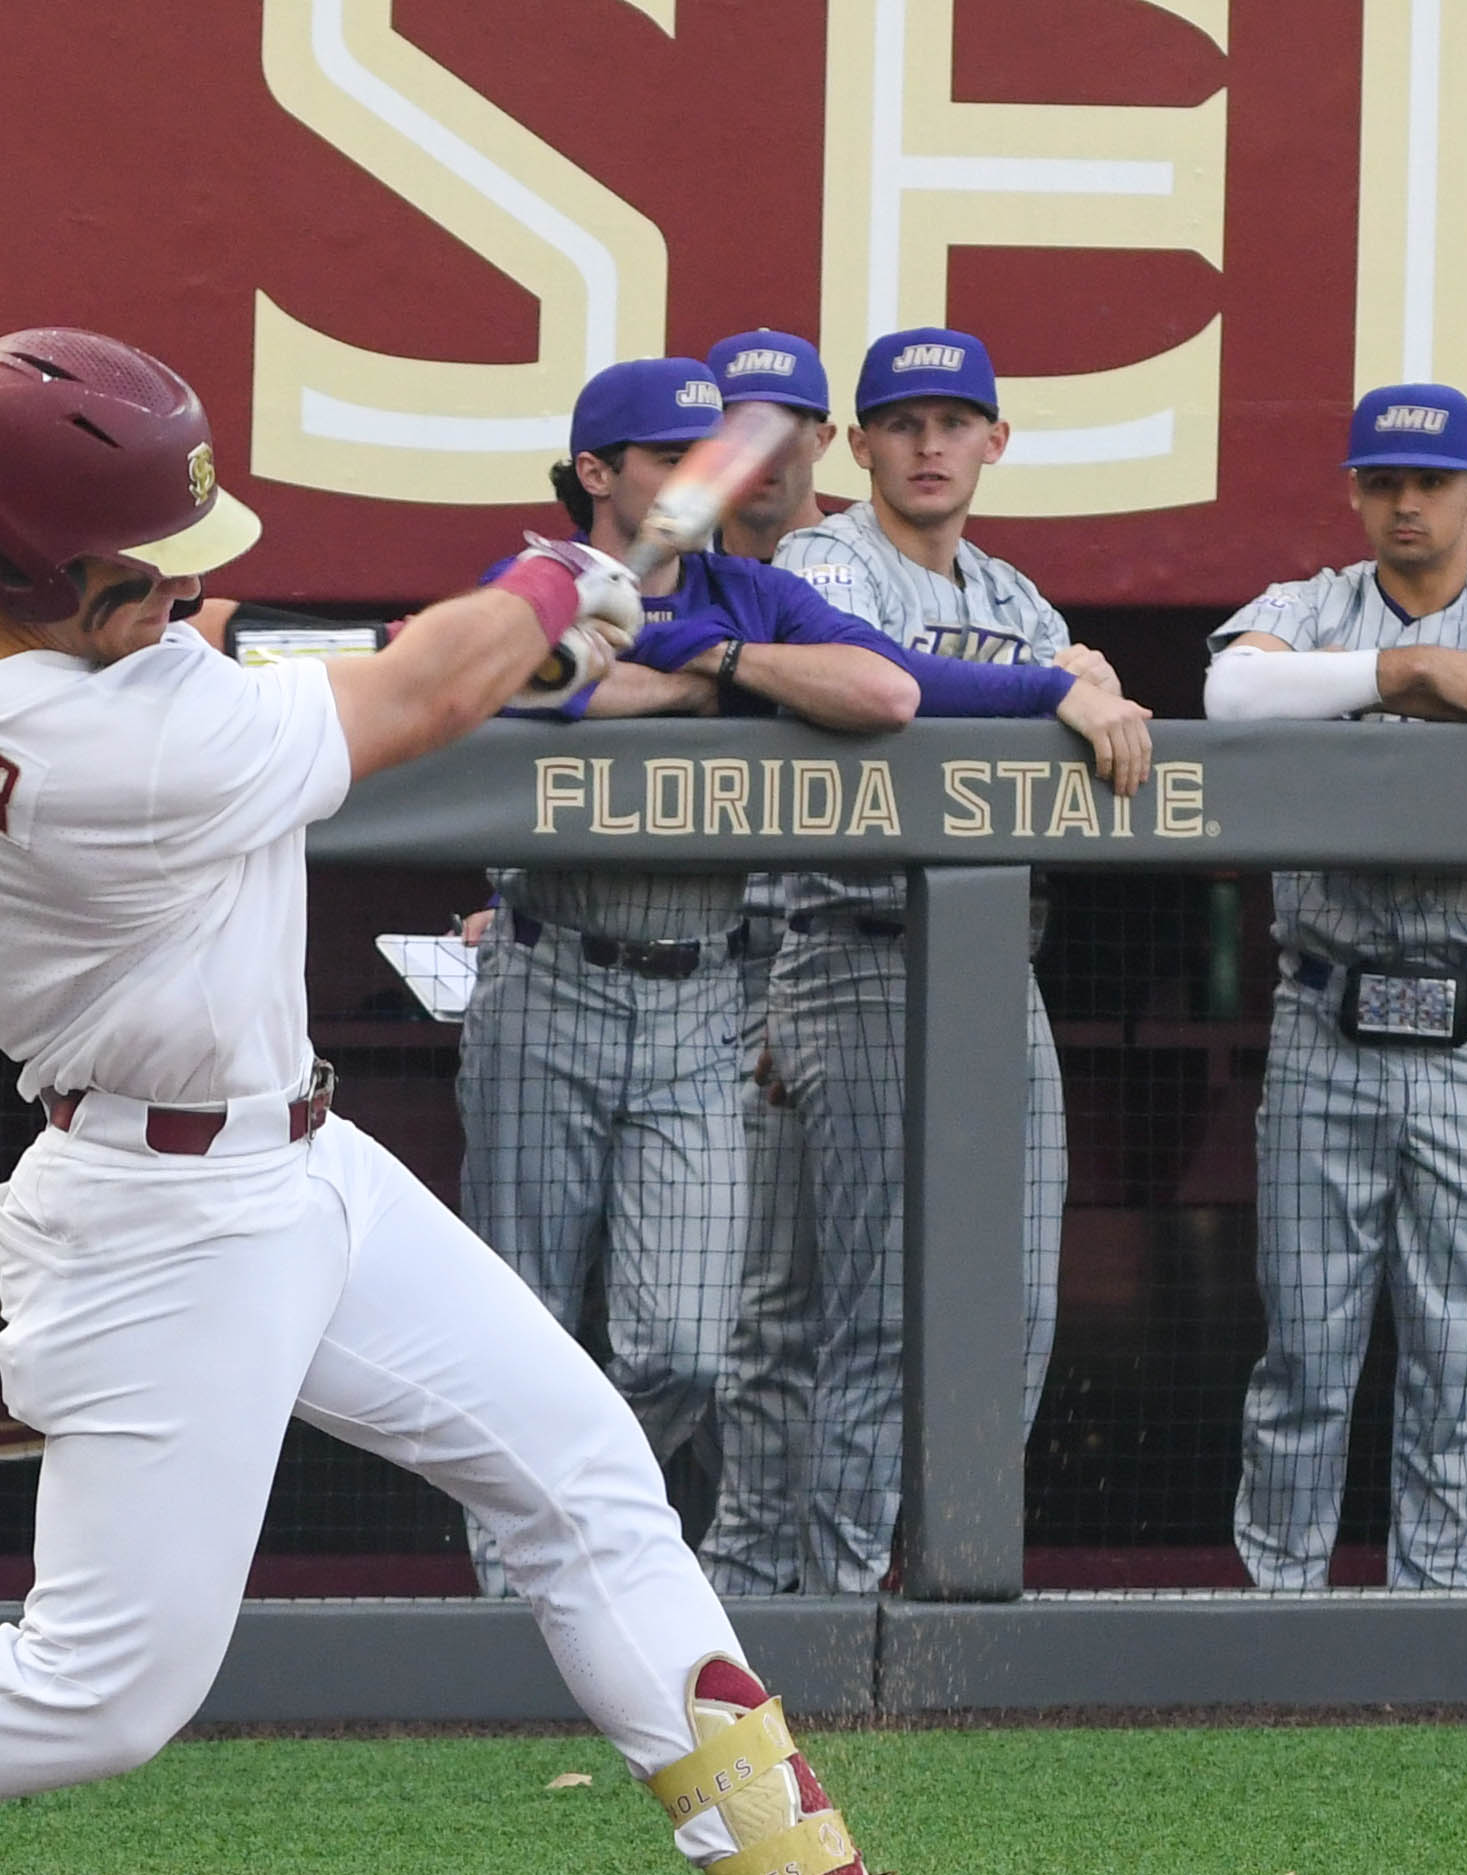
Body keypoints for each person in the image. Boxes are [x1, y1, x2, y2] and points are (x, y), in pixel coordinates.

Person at [0, 327, 1092, 1875]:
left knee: (582, 1475)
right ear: (29, 571)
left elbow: (287, 658)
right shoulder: (129, 752)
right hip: (163, 1221)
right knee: (104, 1691)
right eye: (139, 576)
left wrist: (522, 624)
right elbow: (421, 695)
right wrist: (558, 589)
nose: (181, 593)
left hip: (302, 1158)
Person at [455, 357, 917, 1591]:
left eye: (705, 456)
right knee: (520, 1327)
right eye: (668, 459)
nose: (696, 480)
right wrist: (671, 679)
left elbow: (885, 690)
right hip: (551, 972)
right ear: (596, 472)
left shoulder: (747, 592)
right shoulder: (536, 581)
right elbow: (506, 680)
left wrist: (719, 660)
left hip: (704, 990)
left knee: (684, 1351)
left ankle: (565, 1540)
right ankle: (509, 1622)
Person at [706, 328, 1155, 1594]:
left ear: (994, 441)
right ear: (858, 445)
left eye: (954, 422)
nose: (929, 445)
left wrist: (1074, 678)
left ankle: (953, 1586)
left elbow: (1089, 727)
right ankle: (841, 1608)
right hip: (852, 953)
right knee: (874, 1314)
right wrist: (1050, 689)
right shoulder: (823, 560)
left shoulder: (1019, 598)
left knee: (1018, 1303)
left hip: (995, 963)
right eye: (903, 423)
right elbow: (886, 687)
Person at [1207, 383, 1467, 1590]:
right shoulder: (1312, 603)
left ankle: (1435, 1615)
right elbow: (1230, 692)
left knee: (1455, 1352)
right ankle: (1276, 1615)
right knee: (1305, 1351)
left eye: (1430, 482)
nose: (1405, 503)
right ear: (1353, 490)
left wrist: (1383, 686)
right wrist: (1414, 670)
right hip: (1325, 1013)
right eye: (1382, 481)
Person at [692, 327, 843, 1597]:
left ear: (822, 441)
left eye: (782, 425)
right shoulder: (669, 570)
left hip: (835, 965)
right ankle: (744, 1568)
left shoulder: (848, 576)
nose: (760, 450)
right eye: (734, 426)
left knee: (850, 1306)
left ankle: (837, 1575)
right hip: (703, 967)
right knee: (741, 1307)